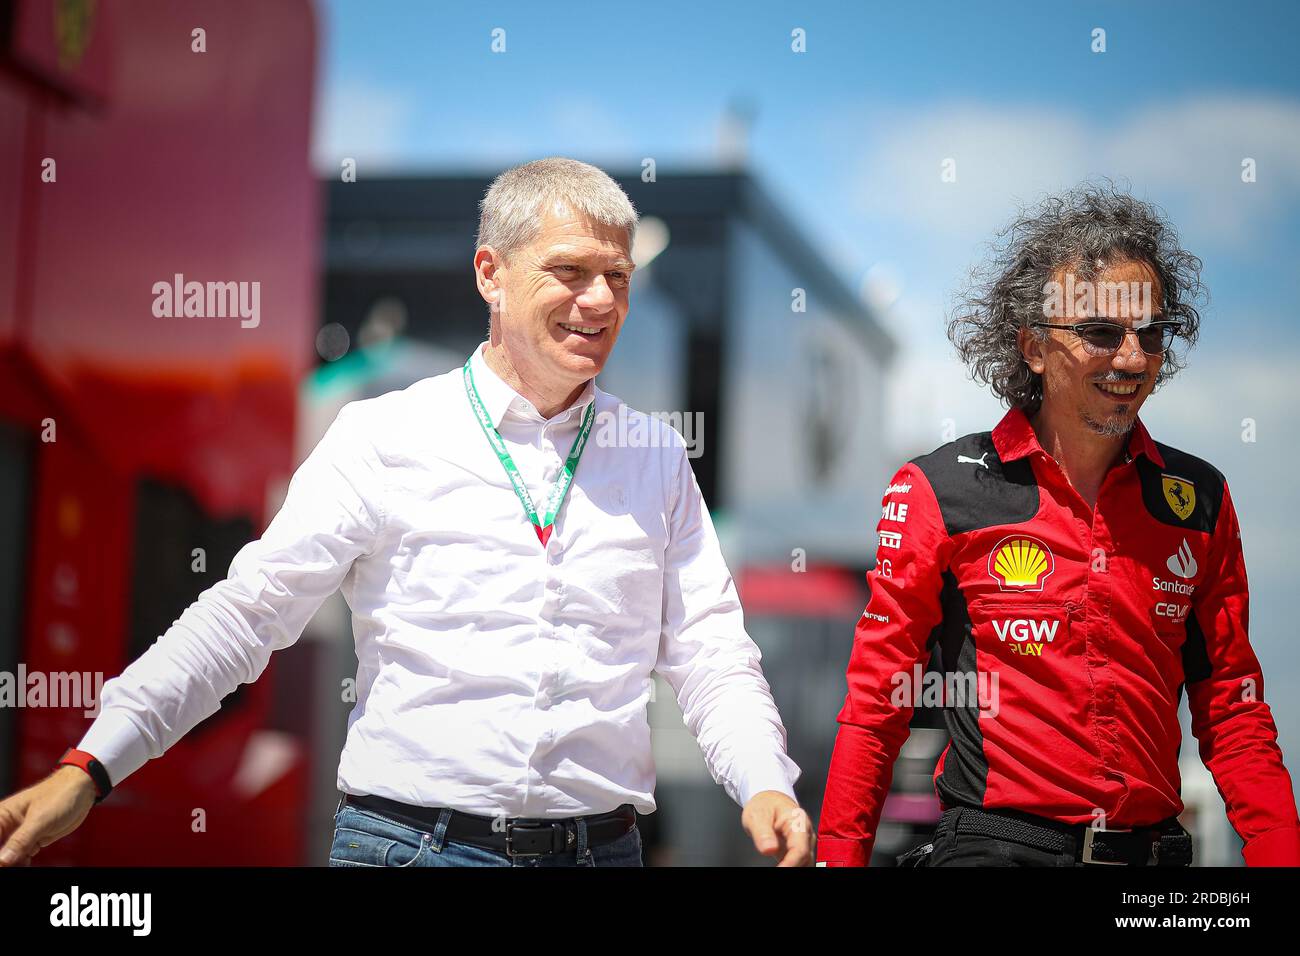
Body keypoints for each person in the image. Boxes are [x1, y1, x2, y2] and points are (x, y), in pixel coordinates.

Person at [0, 157, 811, 868]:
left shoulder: (657, 458)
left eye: (619, 277)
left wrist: (763, 780)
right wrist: (92, 762)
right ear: (491, 273)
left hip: (602, 851)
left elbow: (710, 652)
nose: (599, 300)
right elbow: (247, 616)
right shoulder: (385, 436)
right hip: (412, 849)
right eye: (569, 271)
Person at [817, 184, 1300, 867]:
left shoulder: (1201, 498)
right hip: (994, 847)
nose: (1132, 358)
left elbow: (1232, 706)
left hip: (1154, 858)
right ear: (1034, 347)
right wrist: (838, 859)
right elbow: (876, 703)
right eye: (1101, 333)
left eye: (1150, 333)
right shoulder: (942, 488)